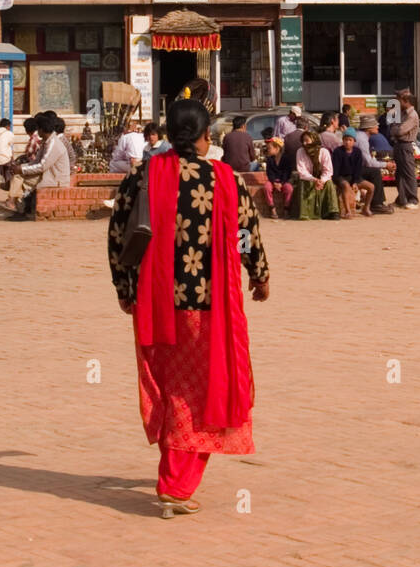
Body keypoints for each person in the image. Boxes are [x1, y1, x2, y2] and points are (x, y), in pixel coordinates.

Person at [107, 97, 270, 516]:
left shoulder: (143, 177)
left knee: (170, 383)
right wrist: (259, 274)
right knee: (202, 388)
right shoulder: (224, 179)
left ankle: (172, 470)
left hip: (156, 301)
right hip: (210, 302)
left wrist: (125, 289)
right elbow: (245, 233)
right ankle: (175, 483)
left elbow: (119, 234)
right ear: (204, 136)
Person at [9, 111, 70, 220]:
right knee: (18, 177)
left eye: (38, 129)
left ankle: (13, 202)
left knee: (18, 178)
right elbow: (35, 162)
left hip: (55, 178)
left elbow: (42, 166)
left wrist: (21, 170)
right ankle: (19, 207)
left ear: (42, 130)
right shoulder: (46, 142)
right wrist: (21, 168)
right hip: (45, 174)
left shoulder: (53, 144)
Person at [295, 129, 340, 220]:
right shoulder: (300, 151)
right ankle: (306, 213)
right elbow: (302, 171)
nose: (305, 143)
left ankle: (332, 211)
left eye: (307, 140)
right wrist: (314, 180)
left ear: (314, 140)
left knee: (329, 184)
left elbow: (328, 171)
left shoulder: (324, 152)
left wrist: (321, 181)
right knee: (304, 184)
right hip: (308, 179)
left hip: (321, 179)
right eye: (303, 140)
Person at [351, 116, 393, 214]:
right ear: (369, 128)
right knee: (375, 172)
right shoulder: (362, 140)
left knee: (373, 171)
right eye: (375, 125)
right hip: (353, 170)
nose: (377, 127)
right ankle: (376, 204)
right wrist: (385, 165)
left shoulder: (361, 136)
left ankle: (374, 202)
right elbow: (369, 163)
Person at [332, 129, 375, 218]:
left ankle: (366, 208)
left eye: (350, 140)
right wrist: (342, 181)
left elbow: (358, 169)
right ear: (343, 140)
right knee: (346, 186)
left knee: (371, 187)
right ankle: (347, 211)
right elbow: (336, 170)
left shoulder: (357, 152)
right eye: (345, 140)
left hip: (354, 177)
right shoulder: (337, 151)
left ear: (354, 141)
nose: (347, 142)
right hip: (341, 177)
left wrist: (355, 182)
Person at [389, 90, 420, 209]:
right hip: (398, 144)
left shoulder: (412, 115)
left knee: (408, 173)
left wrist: (396, 130)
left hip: (406, 145)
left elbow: (400, 130)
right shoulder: (402, 113)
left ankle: (413, 199)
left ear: (406, 101)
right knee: (399, 174)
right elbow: (392, 128)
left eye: (399, 100)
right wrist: (396, 130)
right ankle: (402, 199)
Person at [262, 136, 294, 218]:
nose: (268, 150)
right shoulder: (269, 159)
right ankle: (272, 208)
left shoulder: (286, 158)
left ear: (277, 148)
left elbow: (287, 172)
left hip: (283, 181)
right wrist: (274, 182)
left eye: (270, 148)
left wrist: (282, 183)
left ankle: (286, 209)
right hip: (273, 181)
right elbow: (269, 173)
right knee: (266, 187)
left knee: (289, 189)